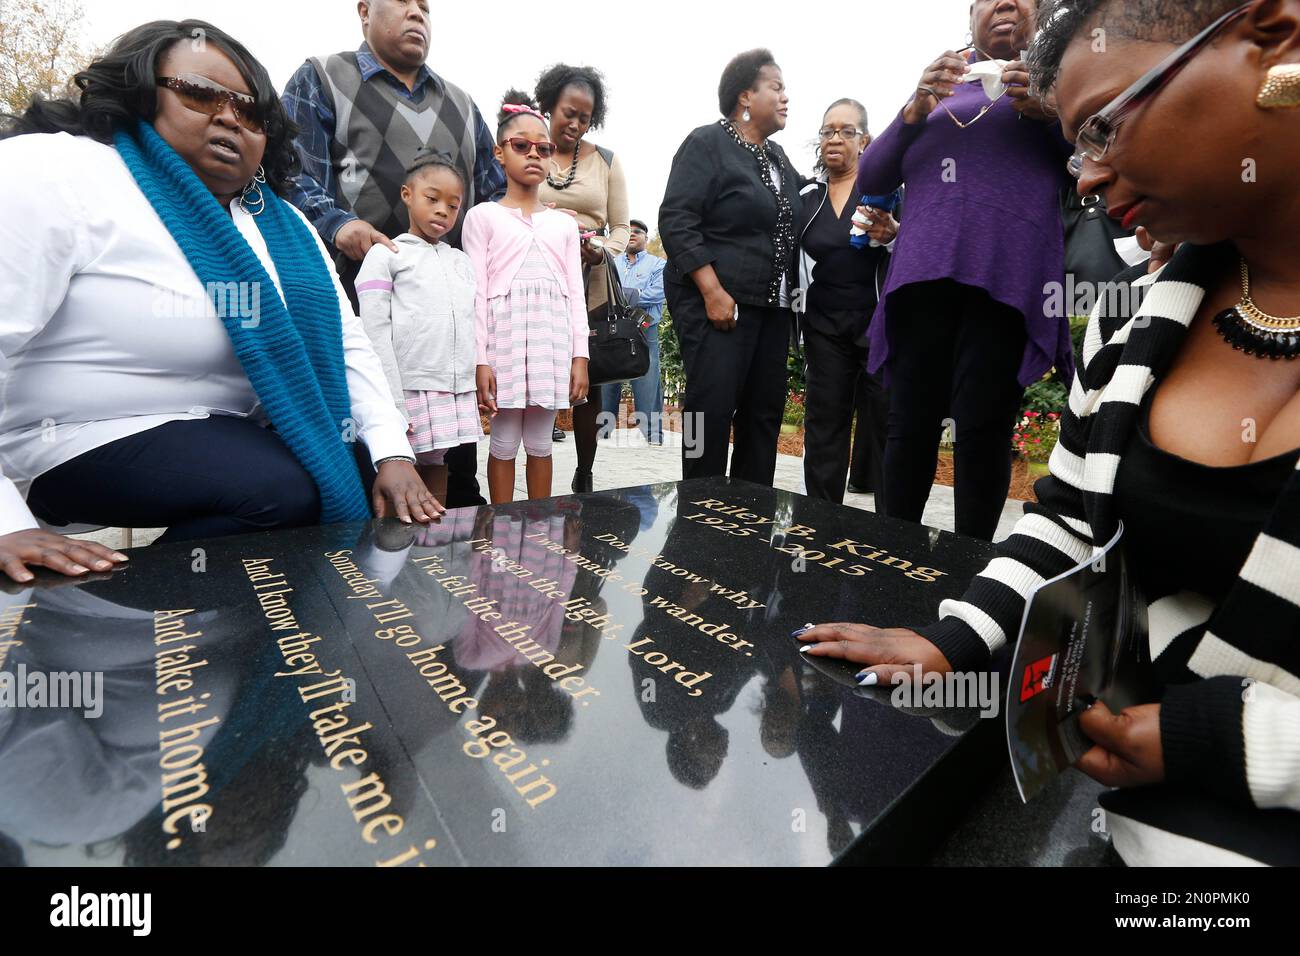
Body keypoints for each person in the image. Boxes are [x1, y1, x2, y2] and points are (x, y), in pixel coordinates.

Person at [801, 0, 1300, 866]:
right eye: (1077, 146)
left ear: (1272, 33)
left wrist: (1226, 739)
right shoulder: (1133, 329)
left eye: (1105, 124)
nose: (1086, 179)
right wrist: (953, 640)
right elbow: (1068, 515)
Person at [0, 19, 441, 584]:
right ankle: (106, 625)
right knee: (286, 489)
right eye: (199, 94)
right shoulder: (60, 171)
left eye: (251, 110)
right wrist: (7, 522)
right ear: (141, 92)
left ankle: (266, 631)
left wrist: (392, 453)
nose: (229, 116)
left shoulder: (287, 228)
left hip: (222, 431)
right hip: (74, 435)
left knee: (352, 467)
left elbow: (347, 345)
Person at [856, 0, 1076, 542]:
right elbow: (872, 176)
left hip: (1007, 279)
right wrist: (914, 106)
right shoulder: (937, 91)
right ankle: (893, 557)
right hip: (922, 278)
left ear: (1042, 9)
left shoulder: (1061, 80)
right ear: (971, 13)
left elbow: (1094, 158)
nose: (1005, 3)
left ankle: (970, 564)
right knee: (909, 425)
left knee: (984, 429)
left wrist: (1052, 110)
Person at [282, 0, 506, 508]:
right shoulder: (321, 78)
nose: (417, 14)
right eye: (403, 2)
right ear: (363, 10)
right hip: (354, 304)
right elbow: (286, 172)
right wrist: (339, 225)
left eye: (425, 7)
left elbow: (493, 201)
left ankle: (456, 579)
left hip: (444, 334)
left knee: (453, 474)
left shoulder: (463, 105)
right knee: (365, 469)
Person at [659, 49, 802, 485]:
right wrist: (712, 291)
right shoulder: (708, 143)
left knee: (763, 416)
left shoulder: (780, 159)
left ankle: (749, 521)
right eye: (776, 87)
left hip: (773, 311)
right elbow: (677, 219)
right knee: (710, 411)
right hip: (717, 306)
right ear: (745, 96)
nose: (785, 98)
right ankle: (699, 512)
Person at [462, 99, 590, 505]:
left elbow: (575, 294)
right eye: (521, 145)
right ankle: (500, 529)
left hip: (551, 343)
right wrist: (480, 358)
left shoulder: (563, 225)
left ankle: (539, 532)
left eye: (544, 148)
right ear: (500, 152)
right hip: (505, 344)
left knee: (541, 440)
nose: (534, 153)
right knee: (502, 440)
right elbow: (477, 294)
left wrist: (580, 357)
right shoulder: (482, 217)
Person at [355, 151, 482, 507]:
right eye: (433, 198)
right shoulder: (387, 255)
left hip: (450, 385)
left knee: (437, 460)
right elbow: (373, 329)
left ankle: (432, 545)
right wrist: (391, 397)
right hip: (408, 384)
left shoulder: (461, 262)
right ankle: (396, 545)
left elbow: (473, 323)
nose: (443, 210)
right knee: (399, 461)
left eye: (453, 205)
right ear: (407, 195)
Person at [527, 64, 629, 493]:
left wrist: (600, 248)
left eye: (585, 117)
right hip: (536, 278)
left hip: (590, 282)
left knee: (588, 379)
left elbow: (621, 227)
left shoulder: (606, 161)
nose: (575, 123)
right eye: (569, 112)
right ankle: (529, 466)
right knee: (535, 371)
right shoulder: (528, 150)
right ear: (549, 106)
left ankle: (585, 471)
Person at [796, 99, 898, 506]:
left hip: (879, 322)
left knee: (886, 424)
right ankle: (821, 518)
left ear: (865, 141)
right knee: (825, 423)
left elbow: (916, 248)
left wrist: (894, 234)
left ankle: (893, 531)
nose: (835, 138)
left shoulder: (887, 190)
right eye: (827, 131)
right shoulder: (808, 195)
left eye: (846, 131)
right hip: (823, 322)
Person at [601, 219, 668, 445]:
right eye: (628, 230)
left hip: (644, 327)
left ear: (645, 239)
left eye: (638, 231)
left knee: (648, 378)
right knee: (606, 375)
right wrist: (633, 295)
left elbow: (657, 293)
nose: (632, 234)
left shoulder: (658, 264)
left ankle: (653, 435)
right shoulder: (612, 262)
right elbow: (603, 290)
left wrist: (623, 295)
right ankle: (602, 430)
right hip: (614, 326)